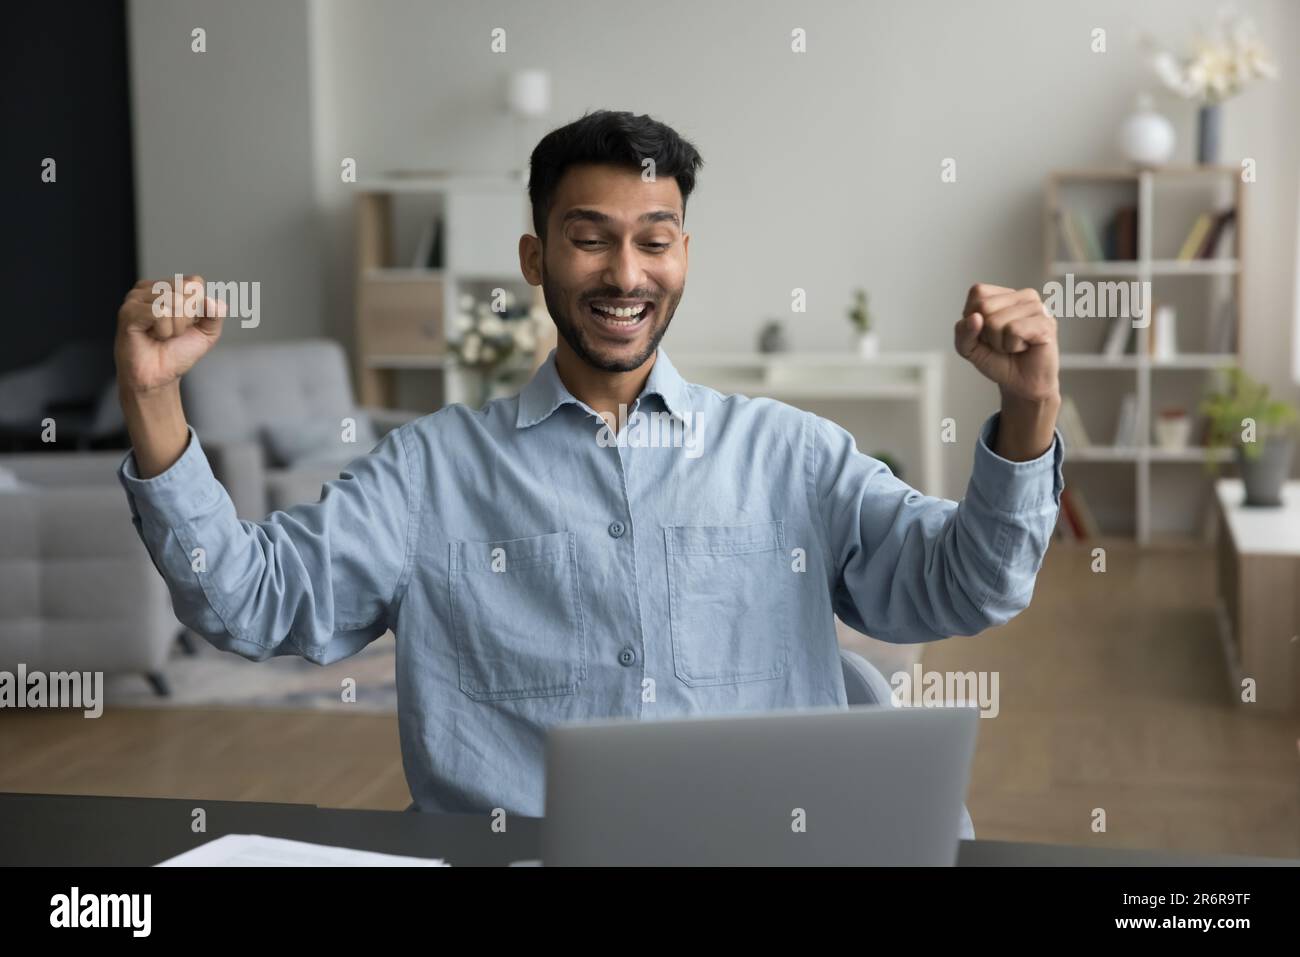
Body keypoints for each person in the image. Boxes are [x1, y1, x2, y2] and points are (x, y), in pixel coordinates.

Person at [115, 110, 1063, 815]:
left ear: (684, 254)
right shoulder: (429, 472)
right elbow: (245, 600)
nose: (624, 273)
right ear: (535, 257)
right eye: (589, 238)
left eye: (654, 240)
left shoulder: (792, 454)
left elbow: (967, 587)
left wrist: (1027, 411)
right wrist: (155, 398)